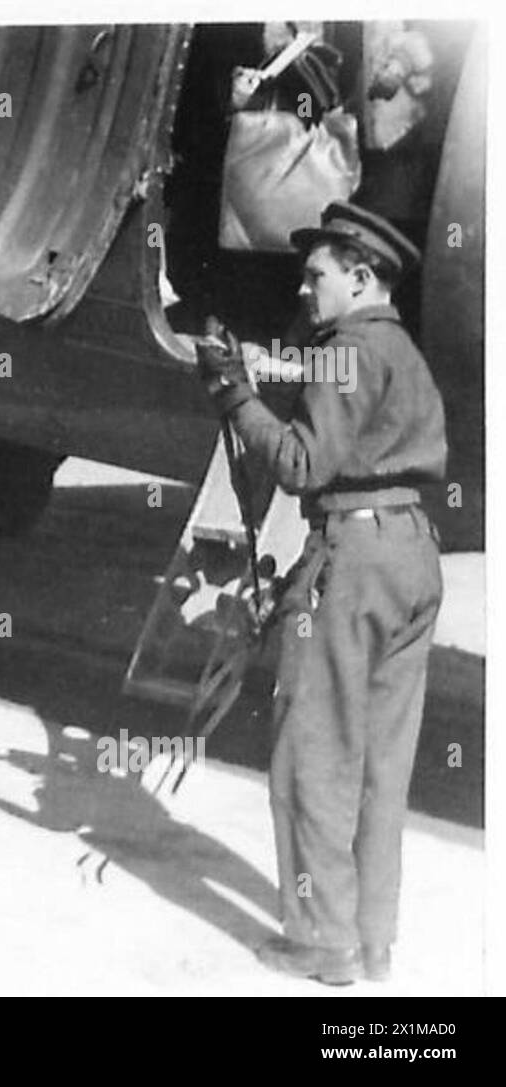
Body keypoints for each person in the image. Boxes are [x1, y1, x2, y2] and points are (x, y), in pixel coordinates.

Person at [195, 201, 446, 985]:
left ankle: (320, 938)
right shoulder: (398, 350)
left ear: (360, 276)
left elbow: (303, 465)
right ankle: (373, 942)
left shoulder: (349, 351)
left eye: (317, 276)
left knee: (314, 757)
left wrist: (235, 395)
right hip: (410, 552)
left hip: (353, 560)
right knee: (380, 764)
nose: (306, 291)